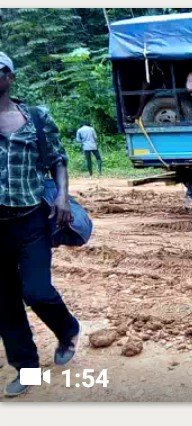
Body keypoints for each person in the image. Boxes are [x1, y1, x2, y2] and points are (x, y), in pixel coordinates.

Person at [0, 52, 81, 398]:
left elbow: (58, 159)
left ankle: (68, 329)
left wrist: (62, 196)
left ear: (10, 77)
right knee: (4, 304)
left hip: (31, 220)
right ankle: (27, 369)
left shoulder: (35, 117)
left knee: (36, 291)